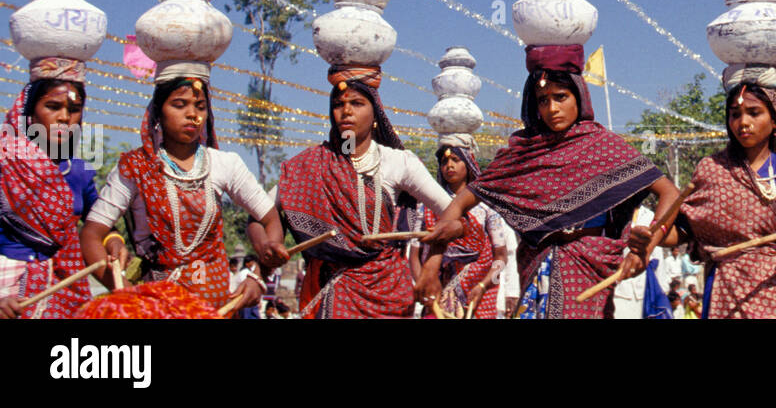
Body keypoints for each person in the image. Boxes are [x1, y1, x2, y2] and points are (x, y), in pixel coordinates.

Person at [423, 45, 678, 318]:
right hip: (535, 263)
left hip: (590, 264)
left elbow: (670, 193)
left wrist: (646, 248)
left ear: (579, 96)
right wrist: (432, 261)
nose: (552, 108)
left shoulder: (604, 146)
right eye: (543, 100)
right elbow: (466, 197)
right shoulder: (523, 151)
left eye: (561, 97)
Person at [80, 76, 284, 313]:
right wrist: (131, 298)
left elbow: (270, 220)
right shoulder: (135, 168)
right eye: (179, 105)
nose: (192, 115)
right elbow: (91, 237)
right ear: (158, 112)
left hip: (217, 307)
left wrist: (259, 276)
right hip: (157, 309)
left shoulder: (225, 164)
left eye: (200, 107)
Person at [273, 66, 452, 318]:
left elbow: (453, 216)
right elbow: (263, 210)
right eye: (338, 104)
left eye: (357, 103)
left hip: (389, 293)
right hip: (334, 289)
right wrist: (268, 244)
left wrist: (432, 265)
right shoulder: (311, 165)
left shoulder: (398, 162)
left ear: (375, 113)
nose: (346, 112)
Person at [669, 74, 776, 318]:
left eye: (754, 113)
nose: (743, 122)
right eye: (735, 114)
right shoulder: (711, 169)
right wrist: (648, 238)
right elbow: (683, 231)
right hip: (723, 290)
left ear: (775, 121)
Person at [0, 63, 100, 319]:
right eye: (53, 107)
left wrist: (113, 244)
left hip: (64, 288)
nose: (65, 118)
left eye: (74, 110)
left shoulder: (79, 172)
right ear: (29, 112)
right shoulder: (4, 165)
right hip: (7, 290)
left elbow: (98, 227)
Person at [413, 139, 507, 318]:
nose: (449, 165)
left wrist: (483, 285)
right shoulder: (427, 205)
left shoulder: (486, 205)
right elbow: (414, 256)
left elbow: (501, 257)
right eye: (444, 162)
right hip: (438, 291)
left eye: (455, 160)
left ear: (469, 162)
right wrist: (425, 284)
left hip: (480, 293)